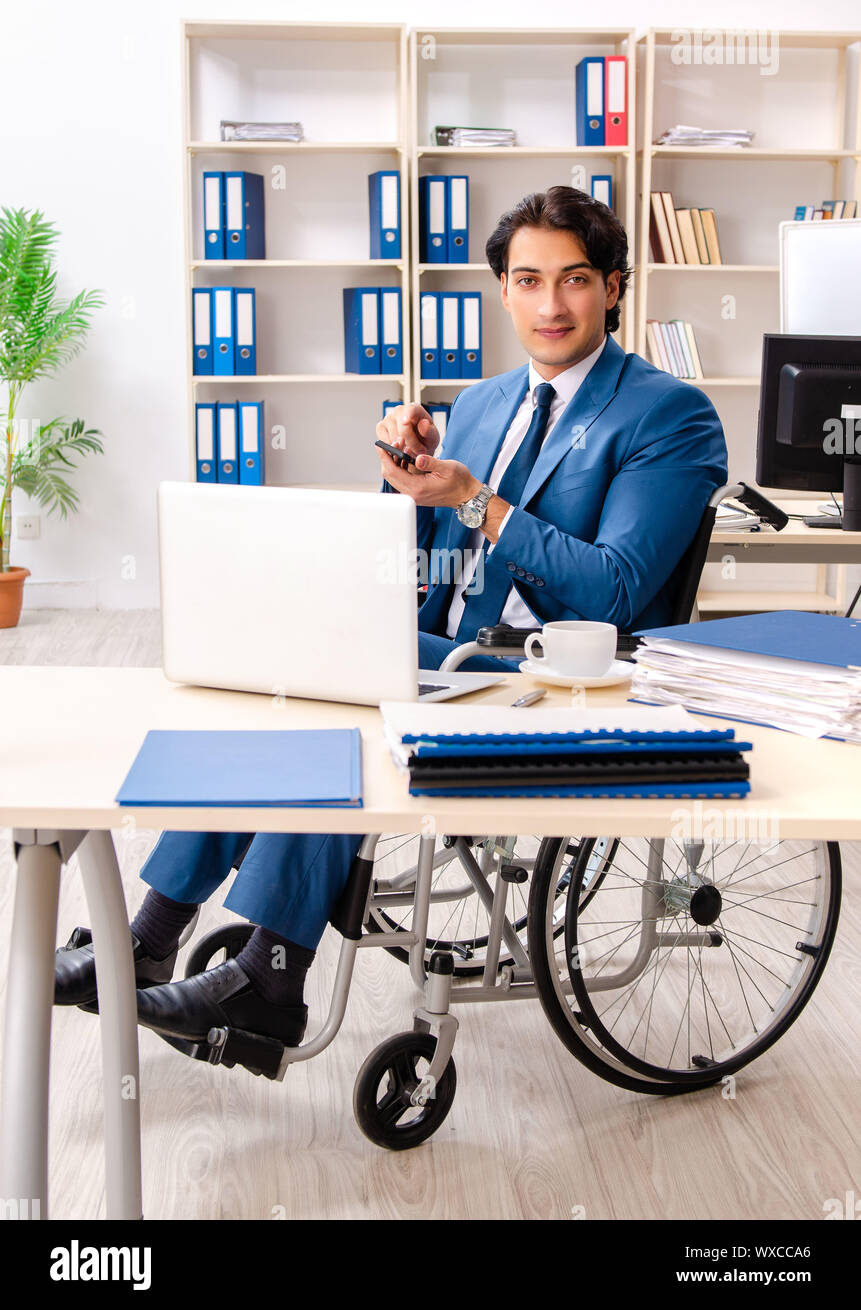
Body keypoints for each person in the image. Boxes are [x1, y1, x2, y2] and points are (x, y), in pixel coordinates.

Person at [54, 186, 728, 1066]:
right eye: (527, 280)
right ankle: (161, 942)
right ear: (502, 291)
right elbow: (412, 558)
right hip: (444, 653)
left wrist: (477, 502)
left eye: (573, 280)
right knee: (296, 657)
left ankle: (249, 967)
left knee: (339, 683)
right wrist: (404, 480)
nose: (550, 304)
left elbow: (613, 589)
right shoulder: (483, 403)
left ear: (611, 288)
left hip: (549, 680)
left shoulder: (666, 414)